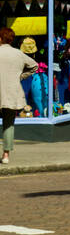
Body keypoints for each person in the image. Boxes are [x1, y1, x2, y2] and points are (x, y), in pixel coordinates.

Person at [0, 27, 38, 164]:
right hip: (12, 92)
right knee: (8, 124)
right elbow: (34, 65)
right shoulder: (18, 54)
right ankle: (6, 155)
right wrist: (21, 76)